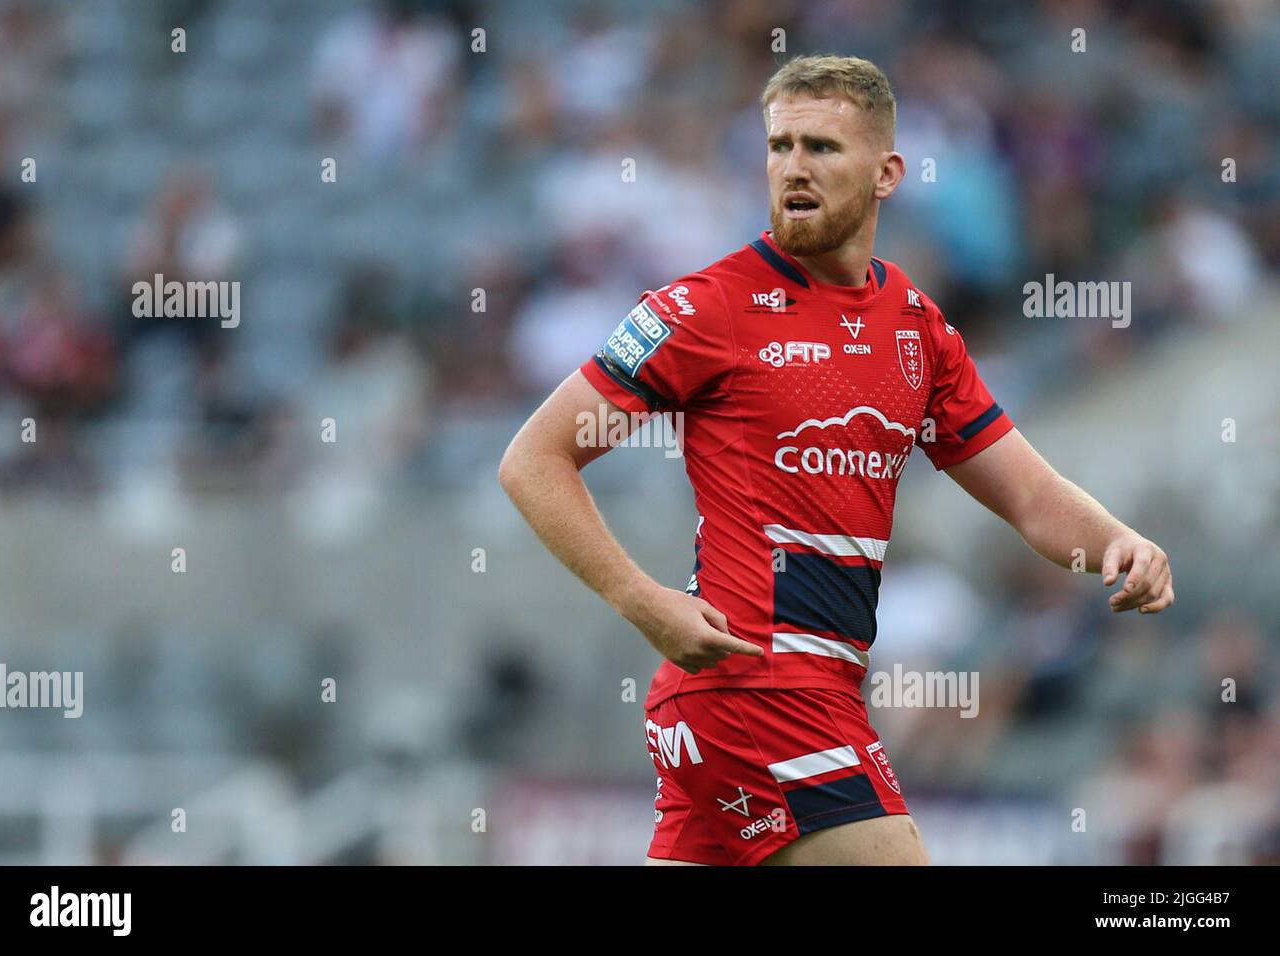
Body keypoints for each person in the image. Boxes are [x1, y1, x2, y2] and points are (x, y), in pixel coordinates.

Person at [498, 55, 1174, 866]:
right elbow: (534, 459)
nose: (794, 168)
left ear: (887, 172)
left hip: (794, 695)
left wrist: (1114, 543)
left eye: (821, 147)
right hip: (756, 688)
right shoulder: (705, 308)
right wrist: (639, 599)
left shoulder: (916, 328)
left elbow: (1028, 493)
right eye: (780, 146)